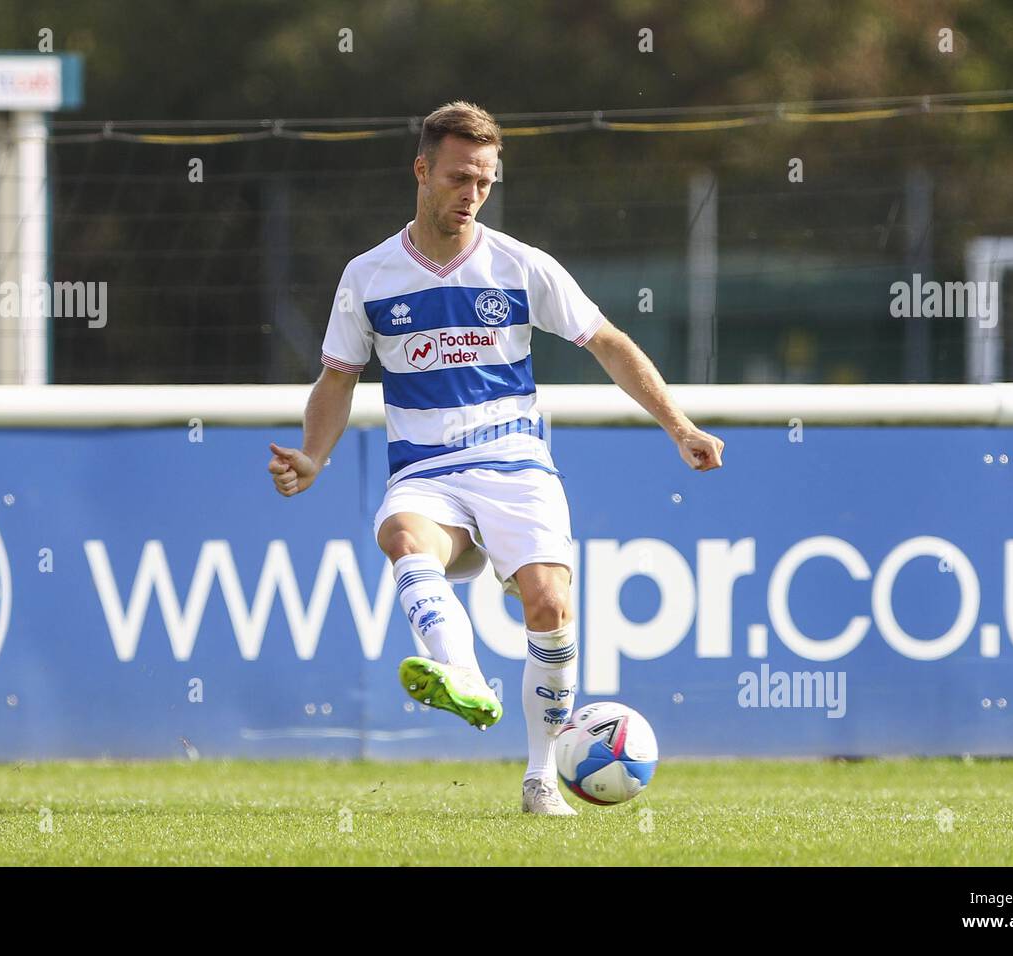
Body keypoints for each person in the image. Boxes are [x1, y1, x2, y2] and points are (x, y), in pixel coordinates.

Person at [269, 101, 724, 814]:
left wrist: (679, 425)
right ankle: (464, 675)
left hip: (514, 464)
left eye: (484, 181)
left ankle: (543, 774)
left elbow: (606, 341)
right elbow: (337, 379)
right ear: (421, 170)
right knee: (400, 537)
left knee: (548, 603)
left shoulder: (519, 264)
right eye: (458, 178)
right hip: (424, 470)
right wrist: (314, 457)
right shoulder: (369, 275)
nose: (471, 194)